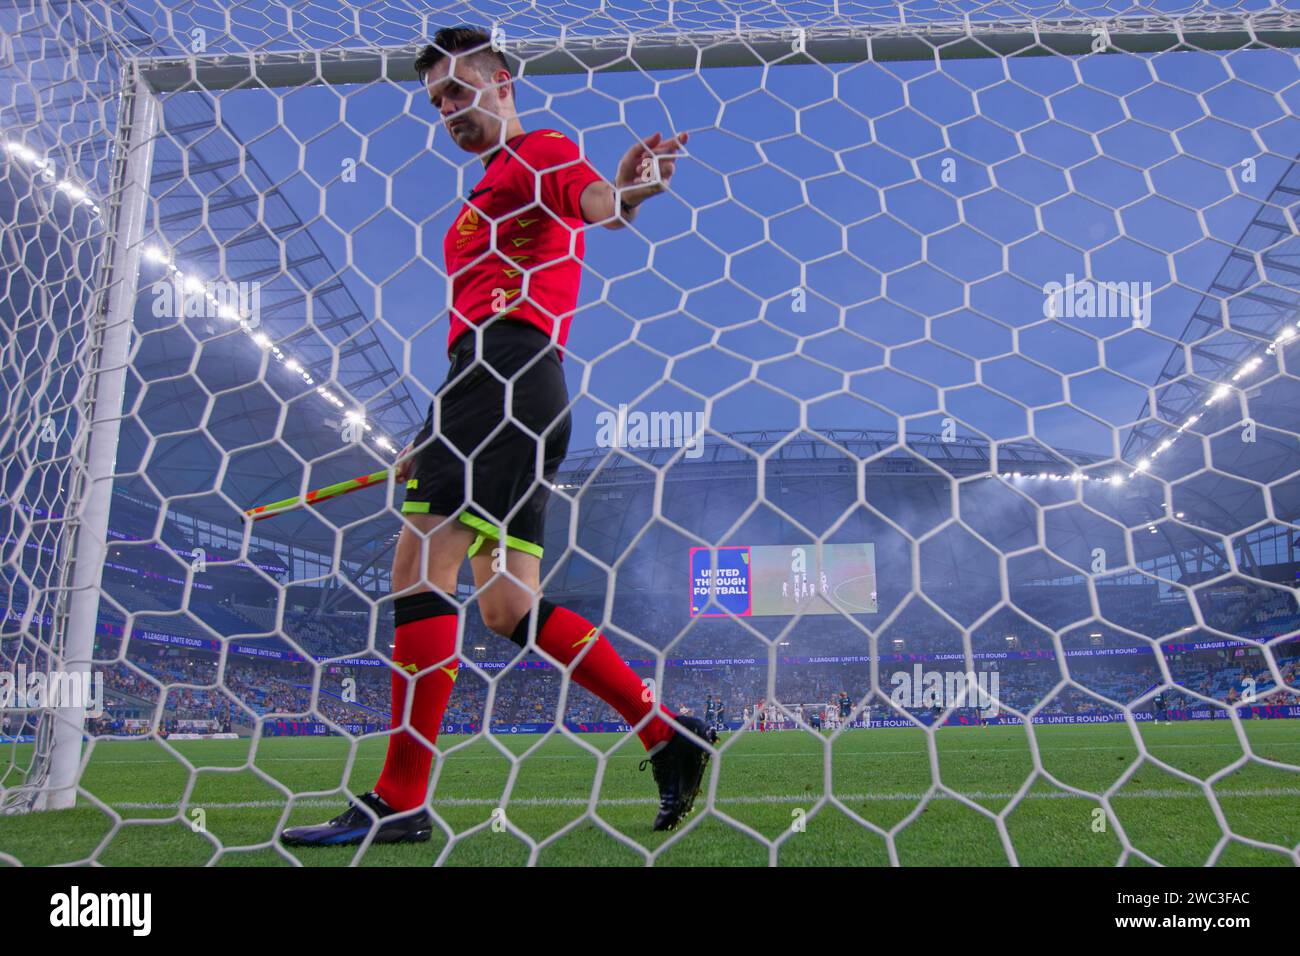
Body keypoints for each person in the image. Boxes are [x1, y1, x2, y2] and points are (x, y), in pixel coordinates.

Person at [282, 26, 712, 847]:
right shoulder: (486, 190)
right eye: (436, 99)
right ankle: (667, 733)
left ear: (502, 82)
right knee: (507, 606)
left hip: (506, 372)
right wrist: (430, 426)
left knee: (418, 560)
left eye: (458, 89)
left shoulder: (539, 150)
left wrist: (626, 194)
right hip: (501, 384)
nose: (446, 108)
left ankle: (401, 798)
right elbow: (471, 325)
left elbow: (591, 203)